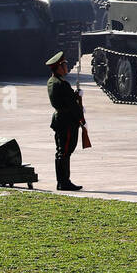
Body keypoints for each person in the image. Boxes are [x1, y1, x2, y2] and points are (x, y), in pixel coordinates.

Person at [46, 51, 84, 191]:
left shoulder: (53, 81)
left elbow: (64, 99)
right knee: (65, 152)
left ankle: (62, 181)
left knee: (61, 151)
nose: (67, 67)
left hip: (60, 120)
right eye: (65, 65)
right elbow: (72, 105)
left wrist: (74, 95)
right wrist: (81, 117)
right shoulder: (62, 84)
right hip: (67, 121)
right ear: (59, 67)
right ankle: (64, 181)